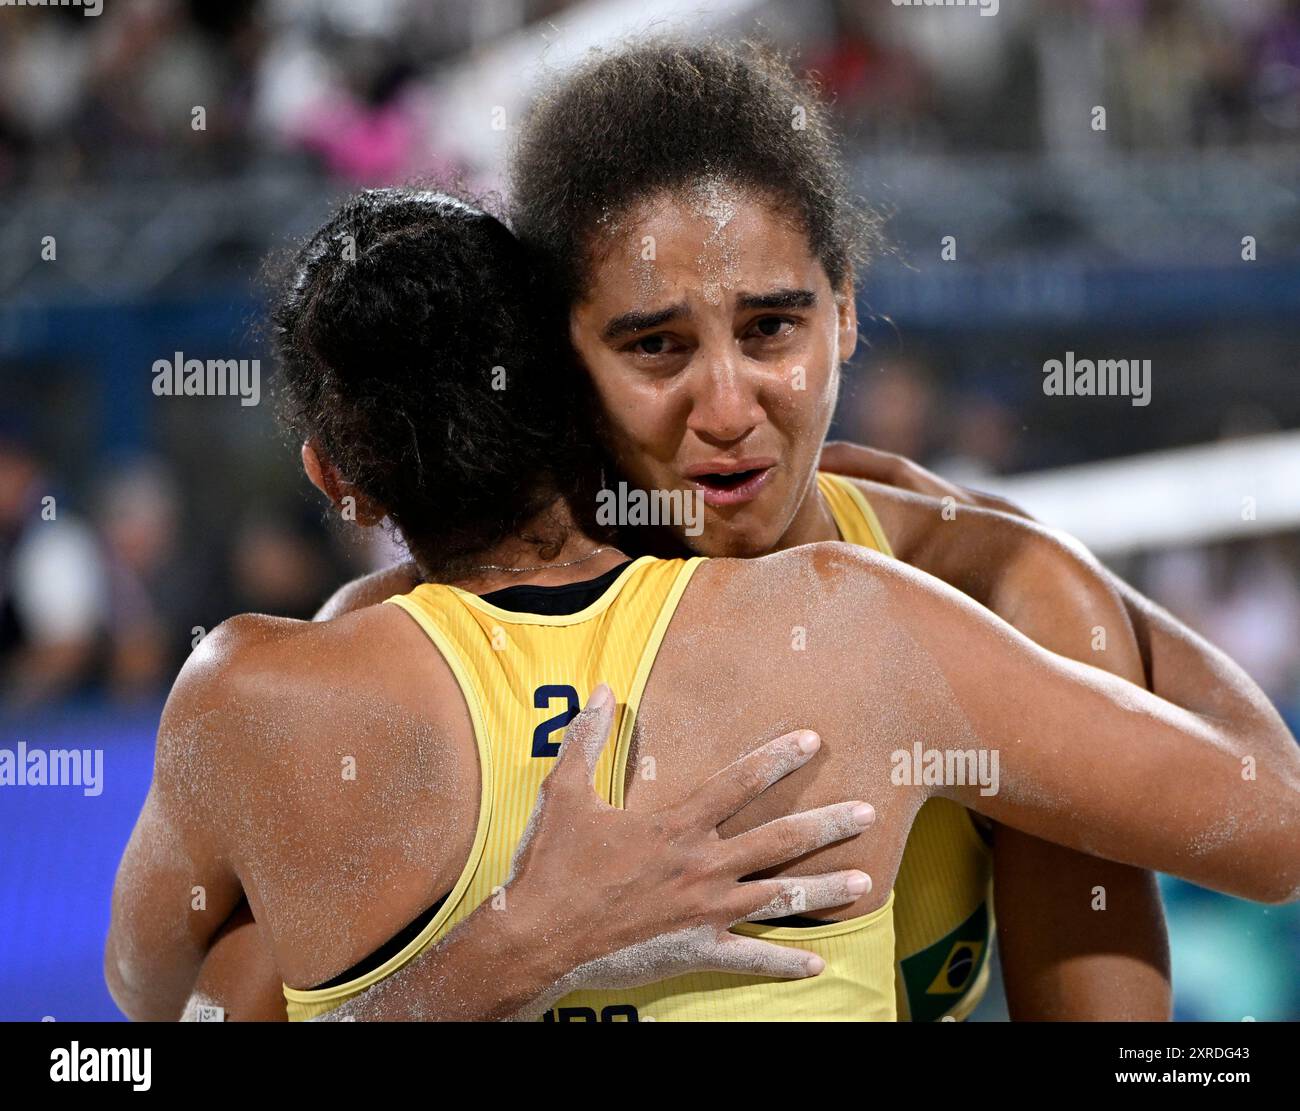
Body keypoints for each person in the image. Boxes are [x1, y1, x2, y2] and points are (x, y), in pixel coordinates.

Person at [105, 190, 1300, 1024]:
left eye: (766, 328)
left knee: (258, 954)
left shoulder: (255, 695)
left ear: (331, 475)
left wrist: (494, 957)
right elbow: (1272, 826)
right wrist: (1048, 554)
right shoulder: (855, 612)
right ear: (585, 386)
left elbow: (143, 1005)